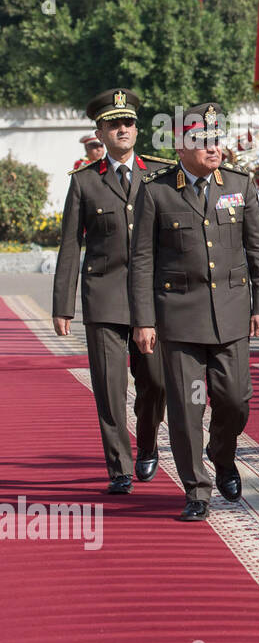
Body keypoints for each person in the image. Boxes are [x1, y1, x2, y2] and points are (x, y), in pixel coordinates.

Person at [130, 102, 259, 522]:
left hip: (231, 316)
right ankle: (197, 488)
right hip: (180, 318)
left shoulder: (238, 185)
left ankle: (222, 451)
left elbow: (258, 251)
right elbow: (142, 260)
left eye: (217, 139)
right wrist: (143, 320)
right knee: (188, 407)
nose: (214, 148)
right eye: (203, 140)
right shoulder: (156, 190)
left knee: (235, 400)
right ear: (180, 144)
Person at [53, 88, 169, 493]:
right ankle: (119, 466)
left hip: (152, 299)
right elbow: (71, 245)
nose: (124, 128)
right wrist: (62, 306)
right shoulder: (85, 182)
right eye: (115, 123)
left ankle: (149, 443)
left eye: (130, 122)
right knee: (109, 386)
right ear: (100, 132)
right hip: (104, 297)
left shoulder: (159, 174)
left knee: (155, 381)